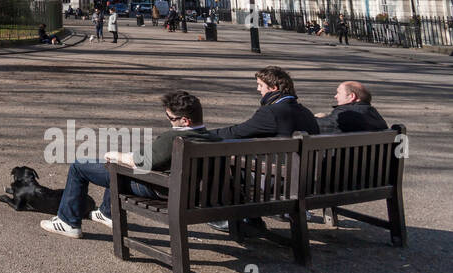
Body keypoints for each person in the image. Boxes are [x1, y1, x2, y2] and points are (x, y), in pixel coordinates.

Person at [40, 91, 222, 238]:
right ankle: (106, 212)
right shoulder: (214, 139)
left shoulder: (175, 139)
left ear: (185, 121)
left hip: (161, 190)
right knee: (119, 164)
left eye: (170, 118)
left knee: (80, 166)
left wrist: (114, 155)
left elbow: (138, 161)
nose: (168, 121)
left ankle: (67, 222)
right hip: (192, 195)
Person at [208, 66, 319, 232]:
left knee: (222, 162)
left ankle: (232, 217)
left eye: (260, 85)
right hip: (307, 179)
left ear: (273, 88)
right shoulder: (306, 112)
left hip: (280, 180)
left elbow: (237, 132)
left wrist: (203, 134)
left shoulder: (272, 112)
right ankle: (251, 218)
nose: (257, 89)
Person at [316, 81, 388, 133]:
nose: (335, 96)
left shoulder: (348, 113)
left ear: (352, 96)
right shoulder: (374, 114)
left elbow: (317, 126)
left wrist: (315, 118)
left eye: (338, 93)